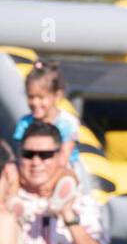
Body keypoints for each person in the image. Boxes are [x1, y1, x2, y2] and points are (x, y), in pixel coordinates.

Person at [12, 61, 85, 189]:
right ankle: (10, 200)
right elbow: (19, 152)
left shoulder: (67, 123)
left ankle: (58, 199)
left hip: (61, 167)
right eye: (31, 97)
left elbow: (63, 157)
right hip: (32, 166)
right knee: (10, 169)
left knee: (64, 175)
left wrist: (45, 179)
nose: (35, 103)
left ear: (57, 96)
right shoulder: (25, 122)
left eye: (40, 97)